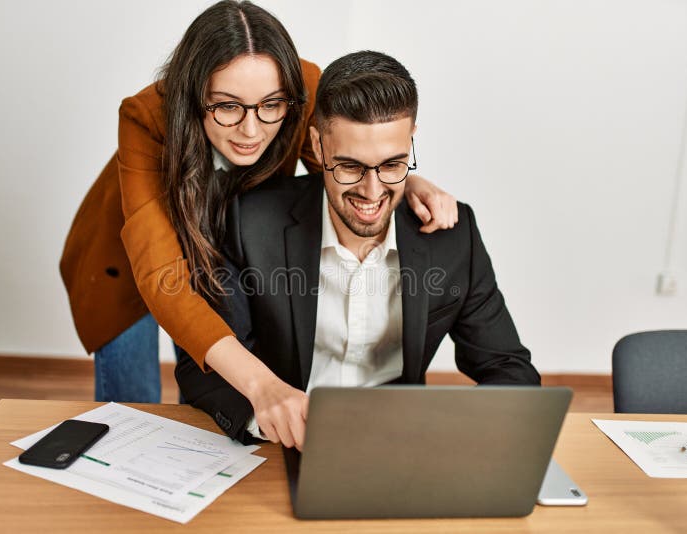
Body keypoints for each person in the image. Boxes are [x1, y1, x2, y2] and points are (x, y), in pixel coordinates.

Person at [59, 1, 459, 405]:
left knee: (204, 400)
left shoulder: (306, 87)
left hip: (220, 256)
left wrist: (405, 182)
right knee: (133, 405)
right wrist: (262, 386)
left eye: (271, 105)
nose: (251, 131)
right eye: (227, 106)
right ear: (193, 95)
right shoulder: (146, 116)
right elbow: (163, 276)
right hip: (130, 265)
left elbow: (343, 165)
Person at [176, 50, 541, 450]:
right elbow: (201, 372)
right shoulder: (249, 222)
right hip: (284, 447)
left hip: (403, 448)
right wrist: (269, 418)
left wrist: (449, 430)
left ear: (410, 142)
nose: (372, 191)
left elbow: (510, 369)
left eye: (392, 165)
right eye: (350, 167)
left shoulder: (452, 234)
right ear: (317, 146)